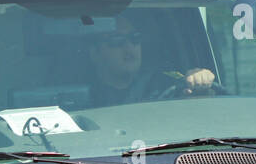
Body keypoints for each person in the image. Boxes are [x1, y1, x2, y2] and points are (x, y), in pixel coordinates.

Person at [87, 16, 217, 106]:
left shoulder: (166, 87)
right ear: (95, 54)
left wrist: (199, 83)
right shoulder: (81, 98)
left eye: (135, 38)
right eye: (117, 40)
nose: (129, 47)